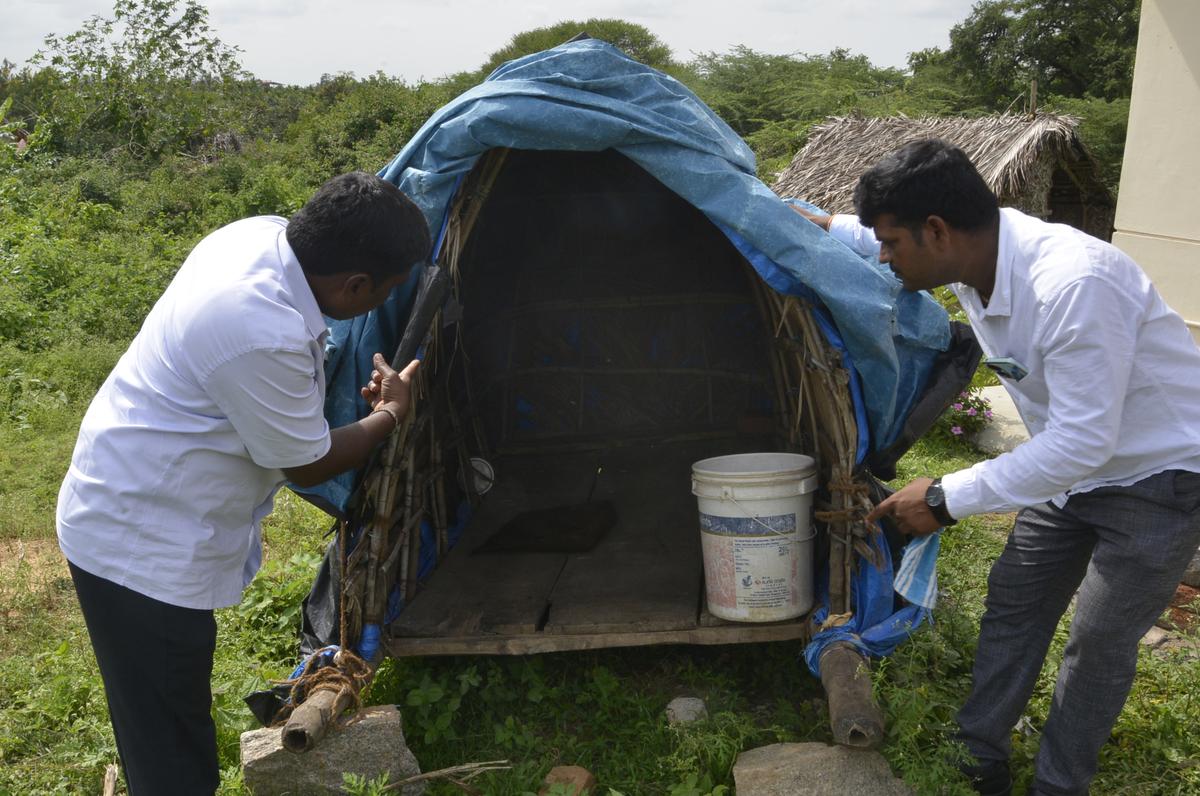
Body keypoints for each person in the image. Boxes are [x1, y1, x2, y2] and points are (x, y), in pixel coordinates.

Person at [793, 139, 1200, 796]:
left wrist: (948, 496)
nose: (887, 258)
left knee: (1097, 642)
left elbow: (1082, 441)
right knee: (1015, 603)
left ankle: (1058, 784)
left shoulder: (1071, 285)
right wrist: (831, 229)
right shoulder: (974, 256)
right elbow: (1075, 451)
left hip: (1159, 476)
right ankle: (976, 757)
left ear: (938, 231)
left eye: (893, 243)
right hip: (1071, 473)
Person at [56, 171, 432, 794]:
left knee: (157, 713)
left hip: (133, 493)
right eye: (385, 291)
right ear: (356, 285)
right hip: (140, 542)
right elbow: (307, 462)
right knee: (168, 734)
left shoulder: (257, 237)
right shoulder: (258, 324)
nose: (379, 303)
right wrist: (389, 416)